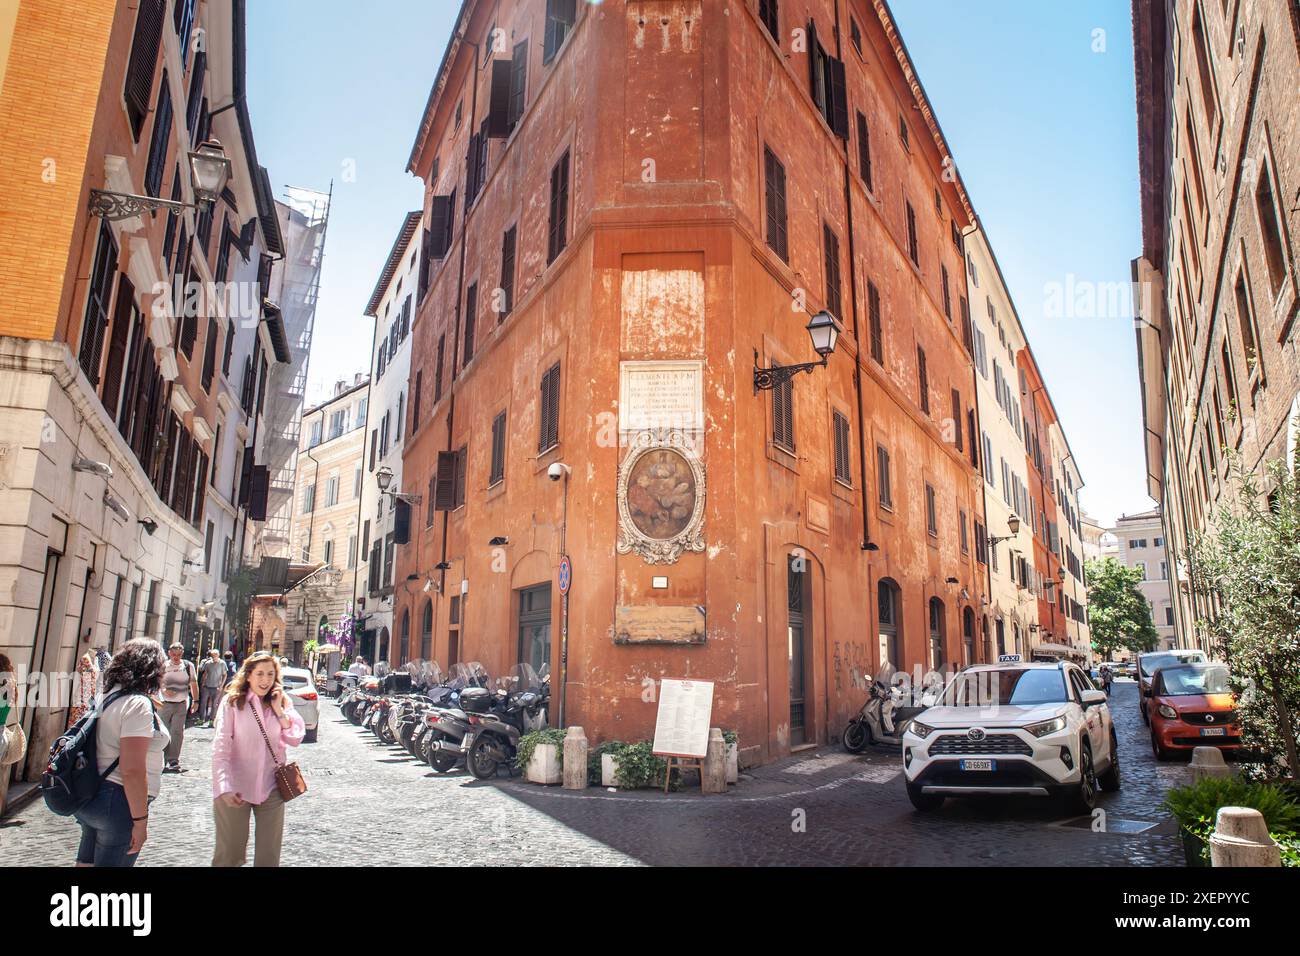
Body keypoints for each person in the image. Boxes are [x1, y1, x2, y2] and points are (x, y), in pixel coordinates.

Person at [74, 638, 170, 867]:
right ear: (151, 668)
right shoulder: (137, 704)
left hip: (93, 793)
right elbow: (132, 769)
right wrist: (140, 820)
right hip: (119, 800)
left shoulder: (107, 695)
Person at [211, 651, 304, 867]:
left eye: (270, 674)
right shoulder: (233, 703)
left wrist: (278, 709)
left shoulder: (281, 701)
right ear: (249, 675)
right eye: (260, 674)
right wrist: (224, 786)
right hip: (235, 786)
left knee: (268, 857)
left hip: (271, 786)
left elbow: (295, 737)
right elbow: (221, 746)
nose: (265, 680)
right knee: (230, 856)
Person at [159, 642, 198, 773]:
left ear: (182, 654)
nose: (176, 657)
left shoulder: (187, 666)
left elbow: (193, 683)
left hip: (181, 703)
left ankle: (173, 759)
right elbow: (158, 682)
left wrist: (196, 700)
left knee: (177, 732)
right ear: (169, 653)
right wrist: (164, 690)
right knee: (164, 732)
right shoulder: (164, 666)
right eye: (173, 654)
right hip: (164, 703)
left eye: (178, 654)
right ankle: (162, 759)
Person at [67, 649, 100, 727]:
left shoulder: (96, 659)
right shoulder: (85, 658)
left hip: (91, 695)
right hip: (82, 694)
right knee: (77, 720)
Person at [198, 650, 228, 727]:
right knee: (203, 703)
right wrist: (203, 683)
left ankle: (212, 720)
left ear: (218, 655)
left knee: (214, 704)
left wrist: (221, 686)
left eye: (215, 655)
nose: (214, 657)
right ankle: (201, 719)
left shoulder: (222, 663)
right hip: (207, 686)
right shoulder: (208, 663)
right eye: (212, 655)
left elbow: (225, 675)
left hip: (216, 687)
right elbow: (205, 673)